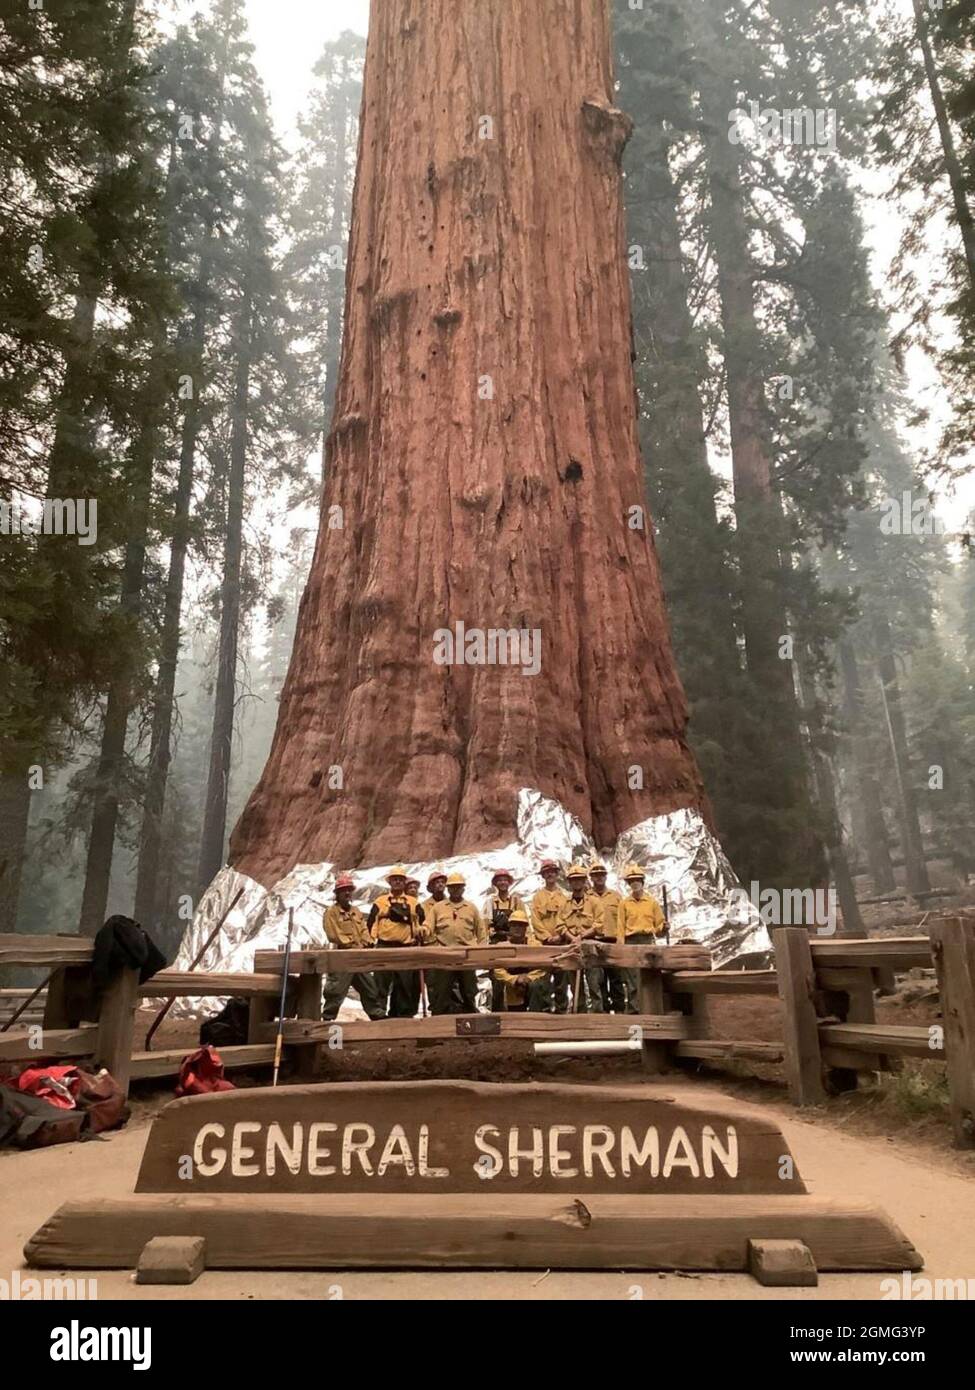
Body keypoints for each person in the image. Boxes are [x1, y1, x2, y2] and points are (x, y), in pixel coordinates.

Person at [321, 875, 385, 1021]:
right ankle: (328, 1018)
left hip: (359, 957)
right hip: (342, 957)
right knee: (336, 990)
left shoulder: (356, 911)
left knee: (369, 987)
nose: (347, 893)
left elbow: (363, 929)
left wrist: (367, 942)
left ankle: (376, 1015)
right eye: (343, 890)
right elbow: (333, 934)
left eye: (349, 890)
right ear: (337, 894)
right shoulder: (332, 912)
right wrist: (350, 943)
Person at [423, 871, 486, 1014]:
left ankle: (471, 1020)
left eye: (459, 886)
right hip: (445, 956)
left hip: (467, 956)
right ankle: (439, 1022)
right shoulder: (438, 908)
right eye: (452, 887)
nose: (455, 889)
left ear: (463, 888)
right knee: (442, 991)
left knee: (469, 991)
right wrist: (423, 930)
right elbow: (428, 925)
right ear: (448, 888)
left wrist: (482, 953)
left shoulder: (471, 908)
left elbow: (481, 931)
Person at [368, 865, 424, 1018]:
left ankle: (401, 1017)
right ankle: (379, 1015)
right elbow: (371, 923)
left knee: (404, 985)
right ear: (390, 882)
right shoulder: (380, 902)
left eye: (400, 879)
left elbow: (421, 922)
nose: (398, 882)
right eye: (395, 879)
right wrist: (372, 942)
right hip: (383, 947)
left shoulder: (414, 903)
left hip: (405, 947)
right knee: (381, 983)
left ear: (404, 882)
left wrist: (419, 934)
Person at [617, 863, 666, 1013]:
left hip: (647, 940)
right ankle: (633, 1011)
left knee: (649, 976)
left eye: (637, 880)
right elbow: (620, 927)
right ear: (628, 884)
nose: (635, 883)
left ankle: (651, 1009)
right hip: (631, 941)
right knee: (632, 980)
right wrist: (621, 948)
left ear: (642, 882)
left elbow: (659, 928)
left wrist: (664, 928)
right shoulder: (624, 903)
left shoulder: (652, 903)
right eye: (631, 881)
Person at [555, 864, 598, 1011]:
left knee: (594, 982)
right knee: (574, 983)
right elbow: (560, 925)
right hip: (572, 946)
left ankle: (598, 1014)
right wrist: (572, 938)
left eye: (579, 879)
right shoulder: (564, 904)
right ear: (569, 882)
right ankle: (579, 1012)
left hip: (590, 946)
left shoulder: (594, 902)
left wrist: (582, 936)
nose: (577, 883)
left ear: (585, 881)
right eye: (574, 880)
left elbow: (599, 924)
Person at [585, 860, 624, 1012]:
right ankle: (603, 1011)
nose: (599, 878)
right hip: (595, 941)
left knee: (616, 979)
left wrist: (621, 940)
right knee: (597, 980)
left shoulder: (616, 897)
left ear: (606, 876)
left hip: (613, 942)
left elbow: (622, 920)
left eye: (601, 875)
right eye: (596, 875)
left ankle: (620, 1010)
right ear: (591, 878)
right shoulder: (586, 897)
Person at [483, 869, 524, 1009]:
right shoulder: (490, 902)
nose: (502, 882)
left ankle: (517, 1012)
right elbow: (486, 925)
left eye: (505, 880)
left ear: (509, 882)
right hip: (497, 945)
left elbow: (523, 922)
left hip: (514, 944)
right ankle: (497, 1012)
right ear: (495, 883)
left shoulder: (516, 901)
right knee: (497, 979)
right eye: (499, 880)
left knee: (515, 979)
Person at [530, 859, 568, 1012]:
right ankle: (545, 1010)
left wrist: (559, 936)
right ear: (543, 875)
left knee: (561, 980)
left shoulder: (564, 897)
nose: (550, 874)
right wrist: (546, 937)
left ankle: (561, 1010)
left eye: (552, 871)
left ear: (557, 874)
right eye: (546, 872)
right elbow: (535, 919)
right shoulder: (538, 897)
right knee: (543, 980)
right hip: (544, 945)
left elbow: (566, 918)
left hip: (561, 944)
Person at [492, 909, 547, 1012]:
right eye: (514, 925)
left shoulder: (535, 946)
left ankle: (535, 1019)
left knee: (537, 985)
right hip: (512, 989)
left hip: (531, 986)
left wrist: (528, 978)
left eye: (521, 925)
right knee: (497, 984)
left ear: (526, 928)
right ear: (509, 927)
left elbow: (542, 967)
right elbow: (497, 970)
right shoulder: (502, 947)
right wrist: (515, 980)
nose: (517, 928)